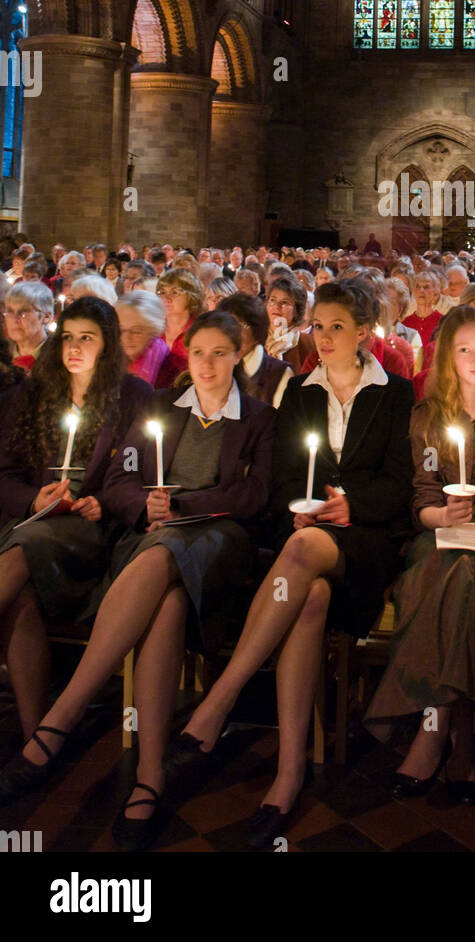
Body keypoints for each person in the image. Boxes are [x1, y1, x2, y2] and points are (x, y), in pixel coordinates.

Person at [0, 311, 275, 848]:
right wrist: (142, 503)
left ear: (237, 355)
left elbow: (256, 494)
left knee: (161, 557)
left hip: (220, 541)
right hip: (155, 539)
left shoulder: (260, 416)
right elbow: (123, 479)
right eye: (198, 352)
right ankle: (150, 777)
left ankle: (59, 720)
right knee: (166, 601)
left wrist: (186, 504)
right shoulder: (161, 407)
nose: (207, 363)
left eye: (220, 352)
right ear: (186, 355)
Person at [165, 279, 414, 848]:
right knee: (310, 600)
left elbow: (399, 483)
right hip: (308, 539)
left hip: (368, 541)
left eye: (336, 327)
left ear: (364, 333)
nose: (322, 338)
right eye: (317, 326)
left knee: (302, 555)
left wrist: (353, 506)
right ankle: (288, 773)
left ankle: (220, 699)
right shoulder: (299, 392)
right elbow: (280, 483)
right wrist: (297, 513)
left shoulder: (395, 393)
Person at [365, 306, 475, 799]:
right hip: (438, 542)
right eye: (464, 349)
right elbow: (421, 501)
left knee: (470, 572)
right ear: (447, 358)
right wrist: (444, 518)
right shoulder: (428, 416)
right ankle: (462, 742)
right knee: (458, 573)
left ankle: (433, 728)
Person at [0, 298, 151, 746]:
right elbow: (4, 474)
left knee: (23, 549)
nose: (74, 347)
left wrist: (99, 501)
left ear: (106, 345)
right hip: (31, 521)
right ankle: (38, 738)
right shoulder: (32, 394)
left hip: (89, 532)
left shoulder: (132, 396)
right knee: (20, 594)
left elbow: (134, 470)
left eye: (87, 337)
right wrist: (33, 500)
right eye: (68, 337)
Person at [220, 292, 292, 408]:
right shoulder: (215, 366)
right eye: (224, 325)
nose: (230, 333)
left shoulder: (278, 374)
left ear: (256, 331)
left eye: (239, 325)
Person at [116, 292, 180, 387]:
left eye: (136, 331)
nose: (127, 338)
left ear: (153, 331)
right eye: (121, 330)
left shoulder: (175, 368)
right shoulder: (109, 361)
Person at [155, 267, 205, 386]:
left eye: (174, 292)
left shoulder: (201, 332)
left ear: (191, 296)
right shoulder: (154, 330)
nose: (166, 298)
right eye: (162, 292)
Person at [264, 275, 317, 373]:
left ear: (297, 309)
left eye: (284, 302)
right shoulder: (255, 339)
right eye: (272, 300)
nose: (276, 306)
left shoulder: (309, 343)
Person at [3, 281, 54, 371]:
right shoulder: (3, 356)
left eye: (23, 312)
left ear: (46, 316)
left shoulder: (59, 357)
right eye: (10, 311)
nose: (15, 319)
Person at [402, 270, 444, 349]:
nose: (421, 290)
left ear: (435, 293)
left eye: (426, 287)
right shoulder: (405, 324)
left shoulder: (443, 323)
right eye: (417, 286)